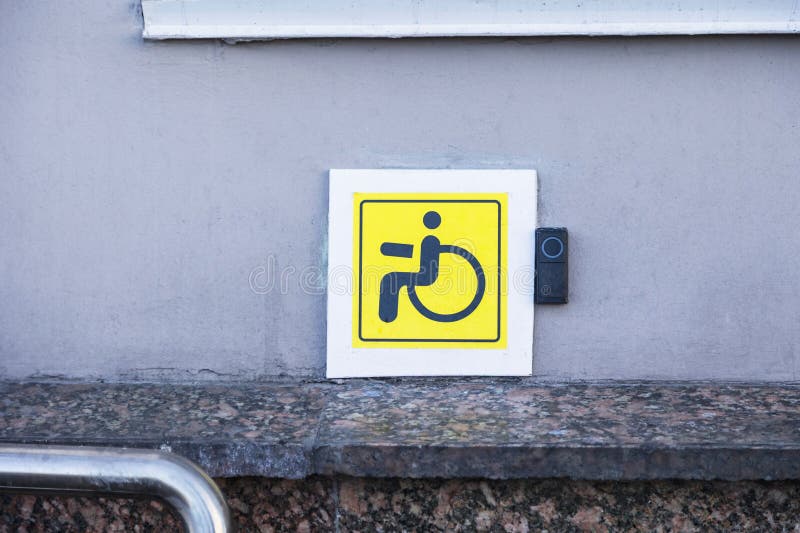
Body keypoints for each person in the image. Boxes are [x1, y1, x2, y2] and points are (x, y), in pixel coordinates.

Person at [378, 211, 441, 323]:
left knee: (392, 279)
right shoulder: (428, 240)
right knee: (391, 279)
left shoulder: (431, 241)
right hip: (423, 271)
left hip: (426, 273)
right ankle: (387, 316)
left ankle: (387, 316)